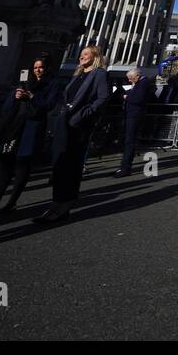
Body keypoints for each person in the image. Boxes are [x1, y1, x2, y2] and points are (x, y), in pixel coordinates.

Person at [0, 55, 61, 216]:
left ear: (47, 68)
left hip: (32, 126)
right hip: (14, 126)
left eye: (41, 67)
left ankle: (11, 202)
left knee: (23, 163)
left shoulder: (53, 84)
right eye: (35, 67)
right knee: (5, 162)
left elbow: (49, 105)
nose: (38, 70)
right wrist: (15, 97)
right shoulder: (24, 81)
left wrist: (33, 97)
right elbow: (8, 104)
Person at [34, 45, 109, 224]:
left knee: (71, 166)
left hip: (78, 126)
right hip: (64, 122)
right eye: (81, 54)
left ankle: (65, 206)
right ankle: (56, 204)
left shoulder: (99, 74)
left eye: (85, 54)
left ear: (95, 56)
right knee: (59, 163)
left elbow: (103, 98)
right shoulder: (78, 74)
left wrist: (84, 114)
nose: (81, 57)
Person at [112, 67, 154, 177]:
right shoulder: (140, 84)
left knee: (130, 141)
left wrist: (127, 96)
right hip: (132, 115)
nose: (129, 81)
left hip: (135, 115)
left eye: (131, 78)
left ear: (137, 76)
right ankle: (123, 166)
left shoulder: (143, 84)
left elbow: (138, 99)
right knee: (128, 141)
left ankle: (125, 167)